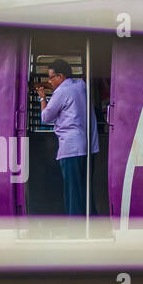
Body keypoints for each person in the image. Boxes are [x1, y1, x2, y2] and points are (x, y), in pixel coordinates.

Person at [36, 59, 99, 217]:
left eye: (51, 77)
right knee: (85, 192)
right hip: (88, 147)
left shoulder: (62, 91)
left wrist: (42, 98)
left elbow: (46, 117)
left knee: (73, 194)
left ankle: (75, 232)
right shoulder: (81, 86)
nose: (50, 81)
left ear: (60, 76)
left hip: (71, 148)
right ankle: (93, 227)